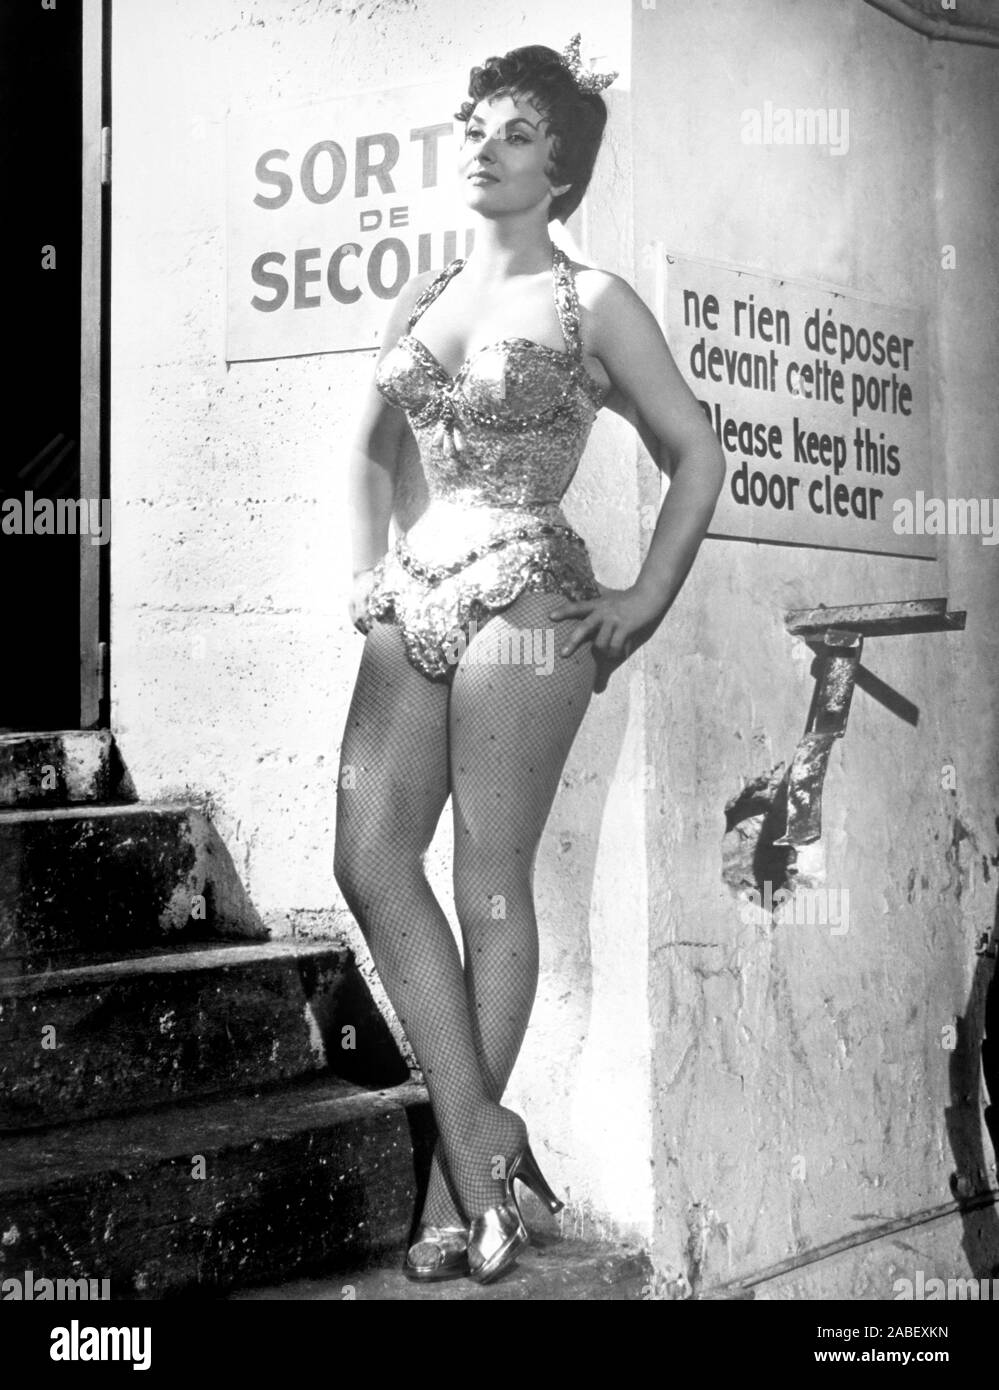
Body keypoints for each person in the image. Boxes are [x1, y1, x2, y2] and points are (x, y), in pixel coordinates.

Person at [333, 37, 725, 1286]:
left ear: (562, 168)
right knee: (368, 855)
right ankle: (491, 1145)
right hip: (422, 589)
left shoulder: (593, 300)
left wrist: (643, 601)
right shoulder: (425, 292)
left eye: (515, 131)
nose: (484, 144)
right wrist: (369, 569)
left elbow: (696, 454)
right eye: (476, 125)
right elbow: (369, 449)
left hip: (533, 597)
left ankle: (463, 1202)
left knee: (488, 880)